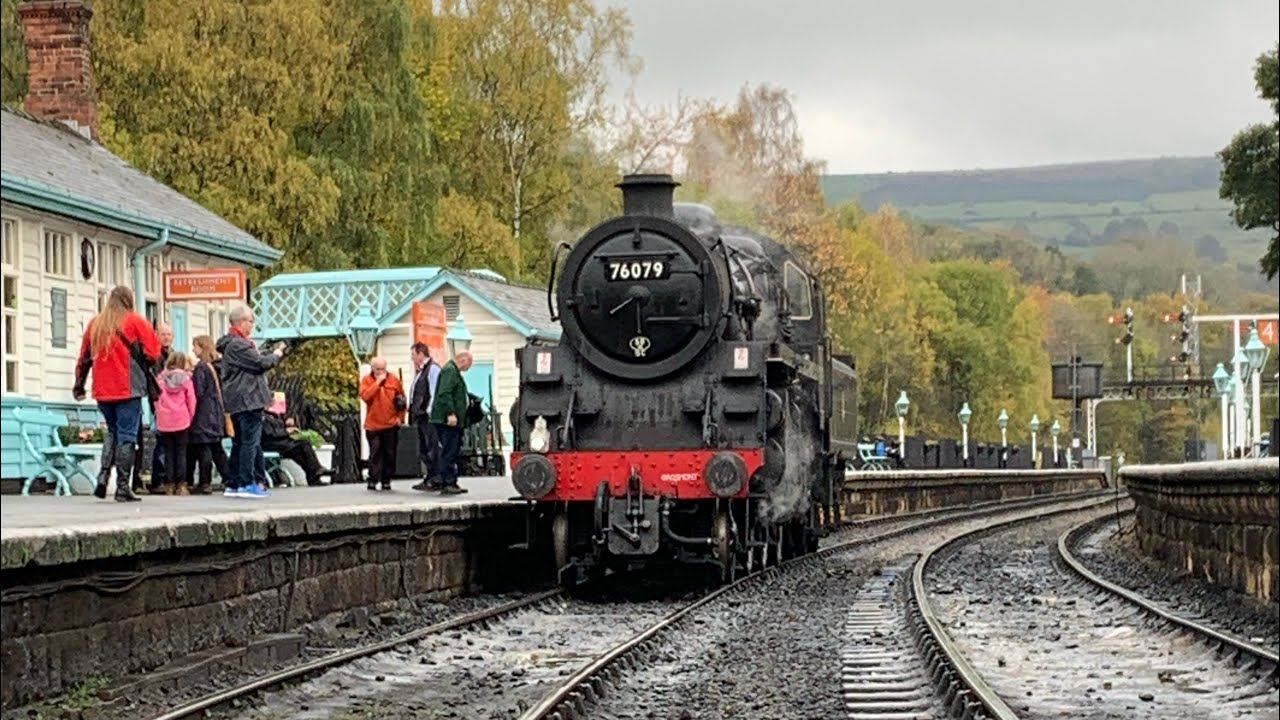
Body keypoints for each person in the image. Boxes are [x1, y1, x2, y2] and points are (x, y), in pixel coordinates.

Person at [72, 285, 161, 502]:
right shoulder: (135, 321)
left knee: (112, 432)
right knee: (127, 436)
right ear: (129, 300)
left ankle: (103, 476)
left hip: (102, 390)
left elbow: (84, 357)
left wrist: (79, 385)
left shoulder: (96, 324)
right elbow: (154, 353)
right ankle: (122, 486)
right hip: (128, 389)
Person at [217, 305, 284, 499]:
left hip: (238, 400)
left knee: (240, 442)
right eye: (250, 321)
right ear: (241, 322)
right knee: (249, 442)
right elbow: (260, 364)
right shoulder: (239, 345)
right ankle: (246, 482)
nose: (252, 325)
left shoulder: (232, 344)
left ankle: (235, 482)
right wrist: (277, 354)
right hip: (248, 399)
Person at [187, 335, 232, 494]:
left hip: (203, 414)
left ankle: (204, 482)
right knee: (217, 448)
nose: (193, 350)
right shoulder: (218, 366)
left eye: (196, 346)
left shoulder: (201, 368)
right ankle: (229, 478)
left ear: (202, 347)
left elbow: (198, 392)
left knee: (204, 447)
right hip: (216, 412)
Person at [359, 357, 406, 491]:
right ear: (373, 369)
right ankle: (372, 479)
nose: (380, 372)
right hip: (373, 424)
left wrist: (400, 418)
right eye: (378, 369)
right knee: (375, 452)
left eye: (383, 369)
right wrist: (377, 383)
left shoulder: (394, 380)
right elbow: (365, 396)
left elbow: (402, 400)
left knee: (390, 453)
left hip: (391, 423)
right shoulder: (367, 380)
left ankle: (386, 479)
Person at [430, 349, 473, 495]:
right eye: (469, 364)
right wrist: (451, 413)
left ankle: (451, 481)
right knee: (449, 450)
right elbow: (445, 393)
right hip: (447, 420)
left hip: (452, 420)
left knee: (452, 450)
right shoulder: (450, 371)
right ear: (463, 360)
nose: (469, 367)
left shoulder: (453, 371)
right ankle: (447, 481)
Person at [155, 351, 196, 495]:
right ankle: (181, 484)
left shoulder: (160, 379)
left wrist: (159, 412)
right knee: (181, 453)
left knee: (168, 453)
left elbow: (156, 398)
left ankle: (169, 484)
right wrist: (190, 416)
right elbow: (191, 399)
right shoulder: (186, 379)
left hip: (165, 420)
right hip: (182, 418)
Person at [262, 394, 327, 487]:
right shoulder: (262, 416)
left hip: (281, 441)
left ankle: (315, 474)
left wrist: (287, 424)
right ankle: (315, 472)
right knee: (301, 447)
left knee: (302, 449)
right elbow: (269, 433)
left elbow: (278, 428)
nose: (273, 402)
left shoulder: (273, 414)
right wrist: (286, 431)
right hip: (271, 443)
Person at [408, 342, 442, 492]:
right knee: (424, 447)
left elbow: (434, 391)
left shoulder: (432, 369)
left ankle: (436, 477)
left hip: (427, 416)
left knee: (431, 446)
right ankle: (430, 475)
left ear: (421, 354)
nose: (412, 358)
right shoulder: (422, 371)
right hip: (420, 415)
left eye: (414, 355)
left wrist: (429, 410)